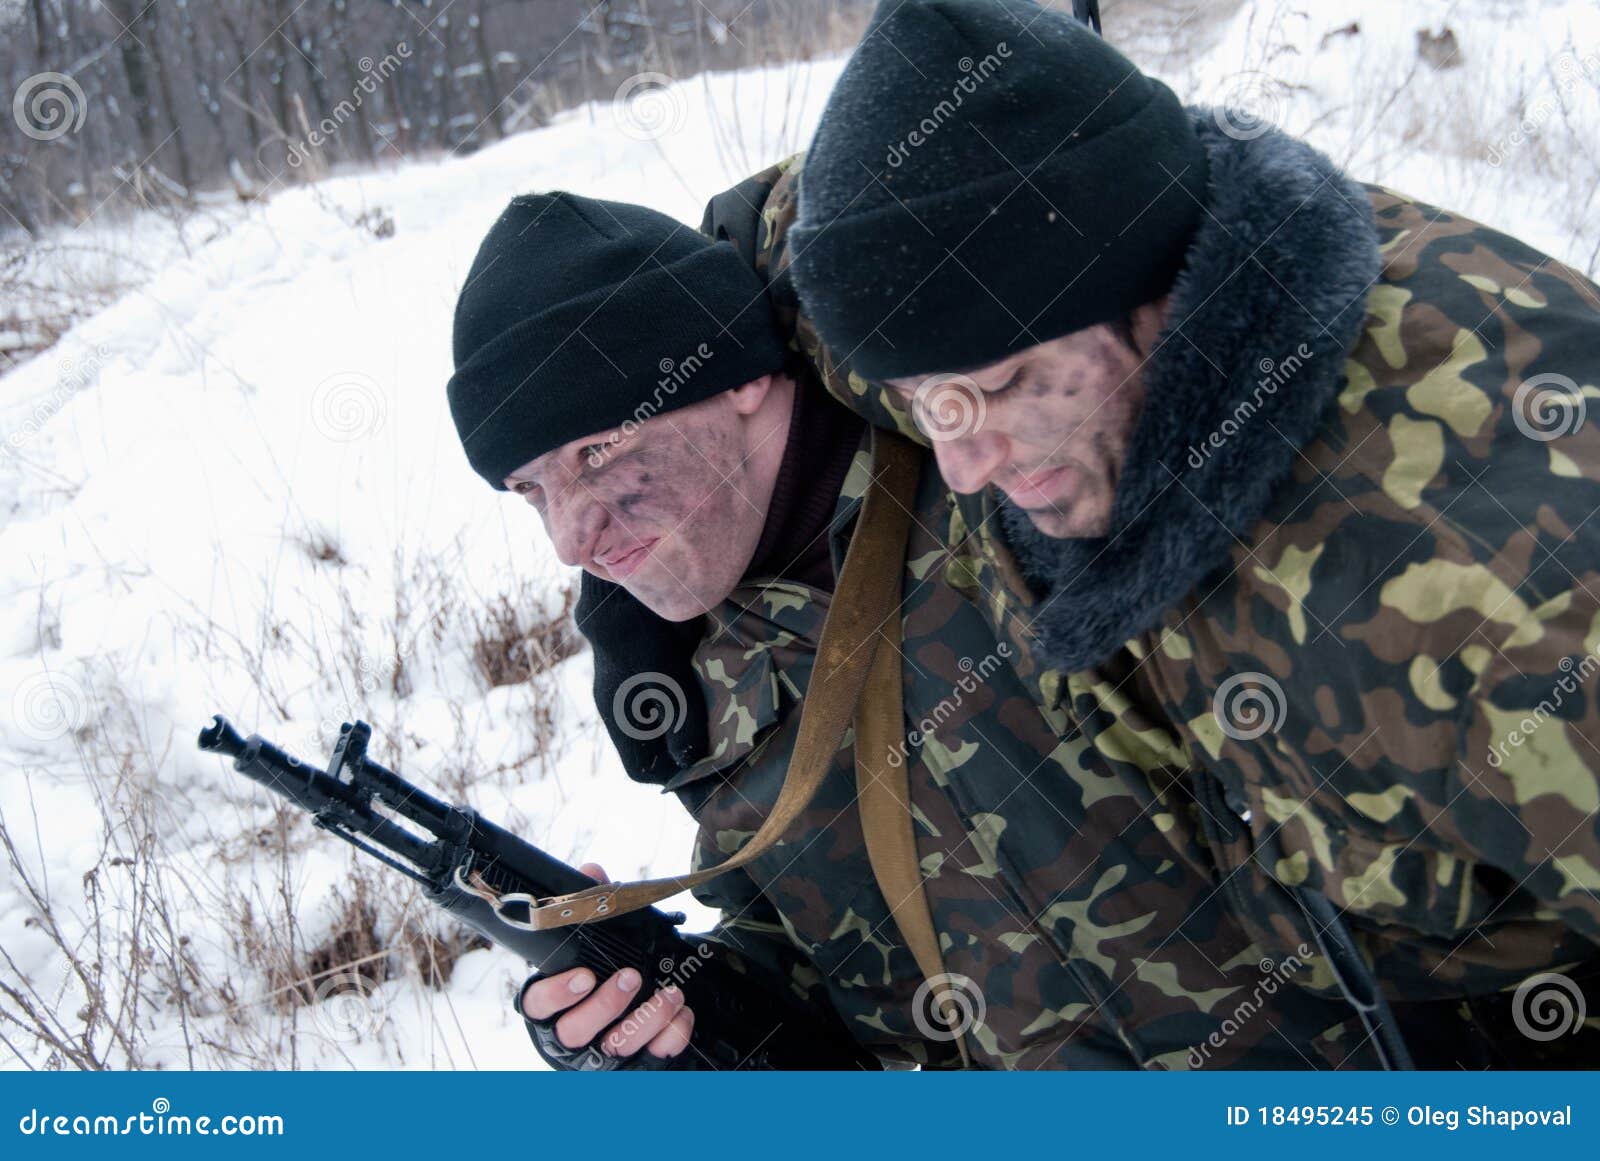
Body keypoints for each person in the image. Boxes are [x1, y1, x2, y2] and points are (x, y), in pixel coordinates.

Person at [448, 150, 1435, 1068]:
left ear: (740, 376)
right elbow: (836, 994)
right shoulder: (699, 686)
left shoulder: (1010, 471)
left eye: (596, 452)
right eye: (530, 489)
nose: (571, 538)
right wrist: (657, 1015)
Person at [788, 0, 1600, 1066]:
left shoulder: (1490, 615)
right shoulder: (1099, 294)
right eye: (923, 399)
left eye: (999, 388)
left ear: (1158, 297)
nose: (963, 468)